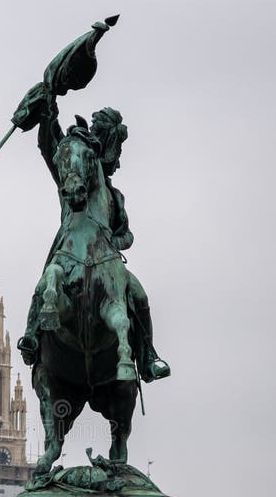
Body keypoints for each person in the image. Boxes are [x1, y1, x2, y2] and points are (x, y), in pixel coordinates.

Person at [16, 92, 169, 383]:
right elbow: (51, 143)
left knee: (139, 294)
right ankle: (32, 337)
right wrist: (48, 107)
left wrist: (113, 242)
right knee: (45, 283)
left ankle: (148, 357)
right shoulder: (72, 179)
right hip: (69, 250)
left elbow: (127, 235)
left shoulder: (115, 198)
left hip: (107, 259)